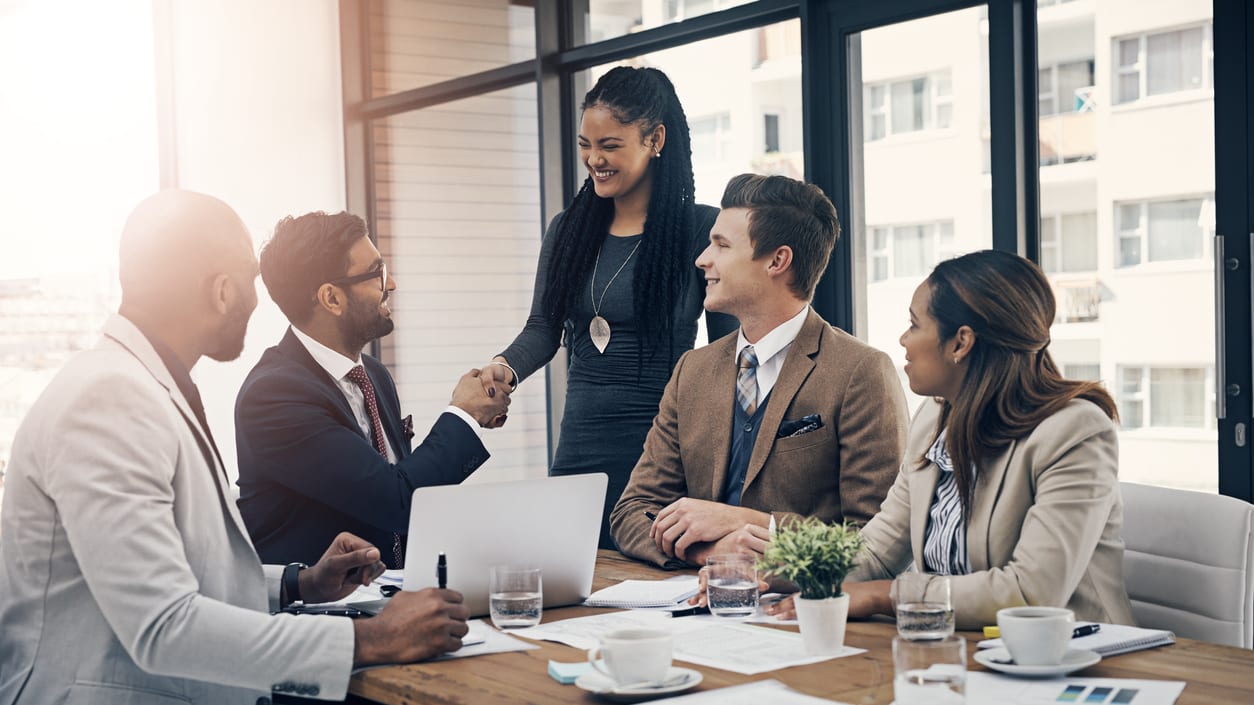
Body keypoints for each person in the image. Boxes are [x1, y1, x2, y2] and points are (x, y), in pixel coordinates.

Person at [0, 191, 469, 705]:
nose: (258, 296)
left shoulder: (142, 387)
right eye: (249, 278)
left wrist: (300, 584)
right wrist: (373, 638)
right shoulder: (108, 398)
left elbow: (171, 570)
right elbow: (164, 625)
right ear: (222, 291)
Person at [731, 250, 1135, 629]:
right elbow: (875, 553)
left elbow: (1031, 593)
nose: (904, 340)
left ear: (961, 342)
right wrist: (769, 575)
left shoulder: (1075, 431)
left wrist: (881, 596)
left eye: (914, 324)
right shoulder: (935, 419)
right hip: (959, 649)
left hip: (1079, 660)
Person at [478, 66, 736, 549]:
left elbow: (728, 355)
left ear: (655, 139)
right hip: (579, 444)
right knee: (575, 583)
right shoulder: (569, 230)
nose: (594, 159)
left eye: (610, 146)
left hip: (662, 453)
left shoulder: (700, 230)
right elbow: (542, 328)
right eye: (585, 145)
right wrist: (502, 368)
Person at [609, 173, 909, 569]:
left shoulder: (862, 372)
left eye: (721, 245)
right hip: (695, 604)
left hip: (803, 612)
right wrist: (714, 554)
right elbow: (633, 510)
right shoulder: (691, 372)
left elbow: (876, 538)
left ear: (777, 260)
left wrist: (751, 525)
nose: (702, 259)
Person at [235, 211, 508, 569]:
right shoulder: (273, 396)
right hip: (323, 612)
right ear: (331, 298)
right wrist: (463, 413)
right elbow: (397, 501)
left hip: (395, 593)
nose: (391, 283)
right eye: (377, 273)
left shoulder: (374, 375)